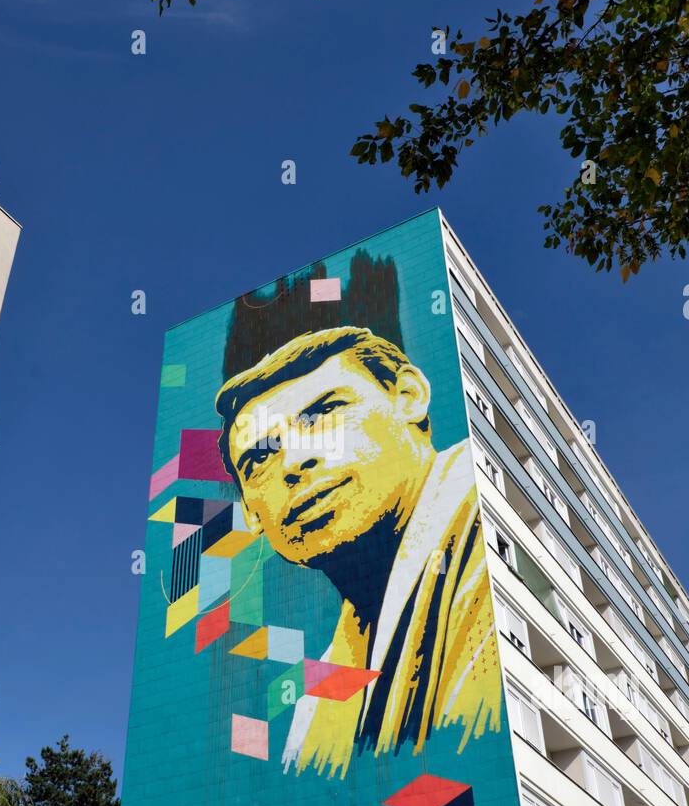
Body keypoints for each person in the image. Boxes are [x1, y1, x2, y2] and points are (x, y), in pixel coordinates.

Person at [215, 326, 502, 778]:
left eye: (324, 411)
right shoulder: (322, 700)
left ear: (409, 397)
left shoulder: (489, 546)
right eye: (260, 459)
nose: (292, 463)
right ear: (251, 512)